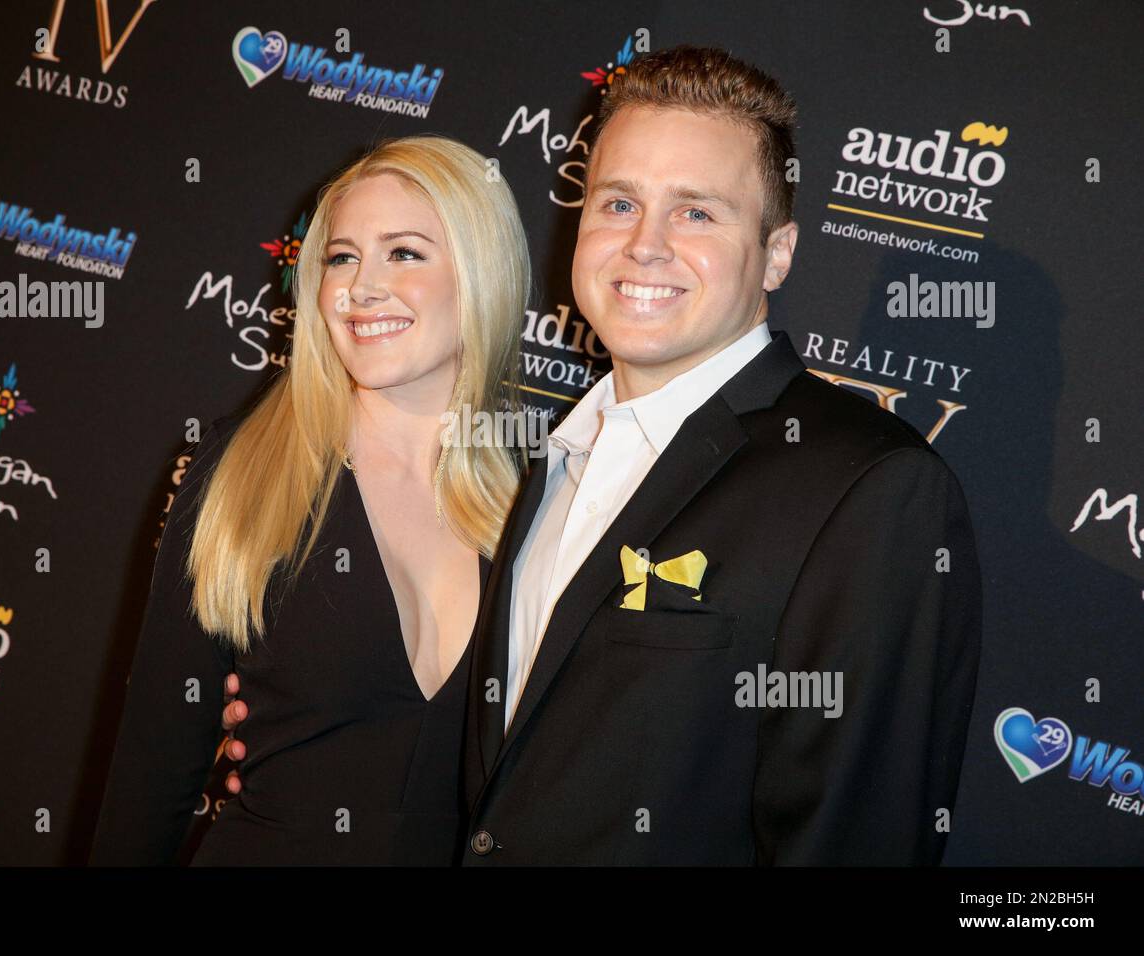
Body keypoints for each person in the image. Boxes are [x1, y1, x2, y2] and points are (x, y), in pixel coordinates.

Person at [224, 45, 983, 865]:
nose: (645, 245)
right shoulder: (543, 462)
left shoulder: (867, 487)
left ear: (777, 252)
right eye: (618, 203)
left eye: (697, 212)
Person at [88, 134, 531, 865]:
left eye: (405, 253)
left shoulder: (535, 503)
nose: (362, 286)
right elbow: (151, 773)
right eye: (342, 256)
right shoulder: (247, 472)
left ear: (482, 274)